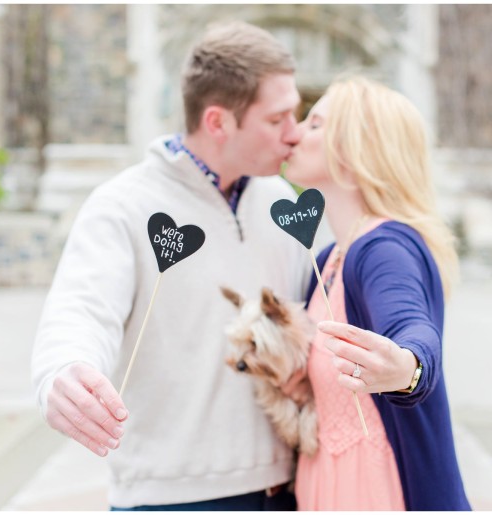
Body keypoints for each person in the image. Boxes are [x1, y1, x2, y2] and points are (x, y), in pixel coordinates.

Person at [31, 21, 311, 510]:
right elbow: (80, 310)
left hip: (285, 488)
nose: (294, 134)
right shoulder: (122, 205)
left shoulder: (282, 200)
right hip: (170, 496)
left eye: (297, 114)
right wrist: (64, 370)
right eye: (276, 120)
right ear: (219, 122)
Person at [283, 76, 472, 510]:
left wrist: (407, 366)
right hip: (323, 482)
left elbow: (411, 327)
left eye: (314, 125)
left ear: (351, 153)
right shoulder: (332, 255)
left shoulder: (383, 248)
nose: (294, 132)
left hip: (375, 489)